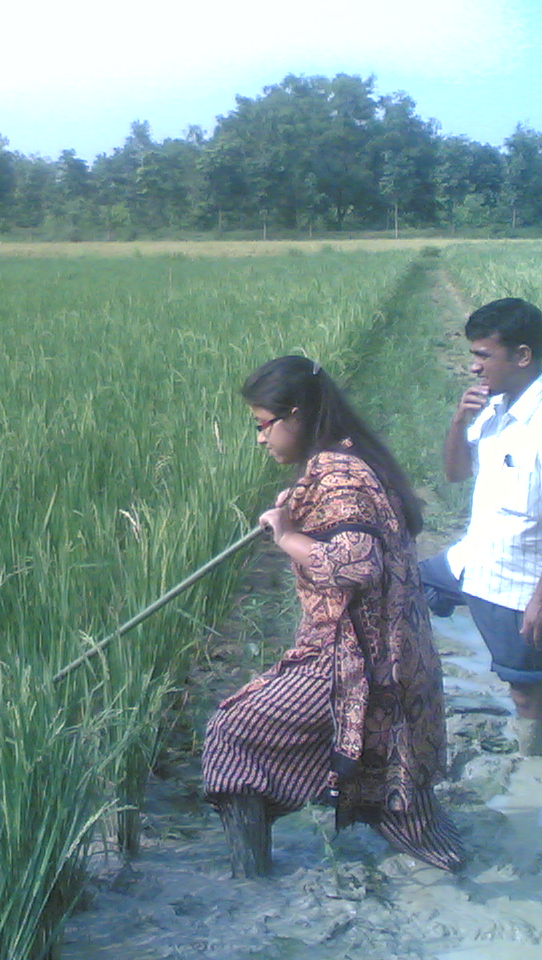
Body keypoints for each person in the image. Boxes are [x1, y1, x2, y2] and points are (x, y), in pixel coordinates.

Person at [202, 355, 465, 875]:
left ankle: (250, 881)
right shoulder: (351, 459)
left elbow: (356, 565)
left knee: (230, 732)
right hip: (390, 656)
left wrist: (287, 536)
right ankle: (445, 860)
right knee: (414, 818)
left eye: (263, 425)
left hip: (356, 662)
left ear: (295, 414)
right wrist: (298, 509)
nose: (260, 439)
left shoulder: (338, 469)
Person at [420, 297, 542, 757]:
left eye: (482, 355)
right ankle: (409, 705)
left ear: (522, 356)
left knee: (527, 691)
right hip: (472, 562)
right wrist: (460, 421)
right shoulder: (494, 408)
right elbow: (456, 473)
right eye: (473, 355)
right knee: (397, 591)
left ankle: (534, 776)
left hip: (520, 586)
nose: (474, 368)